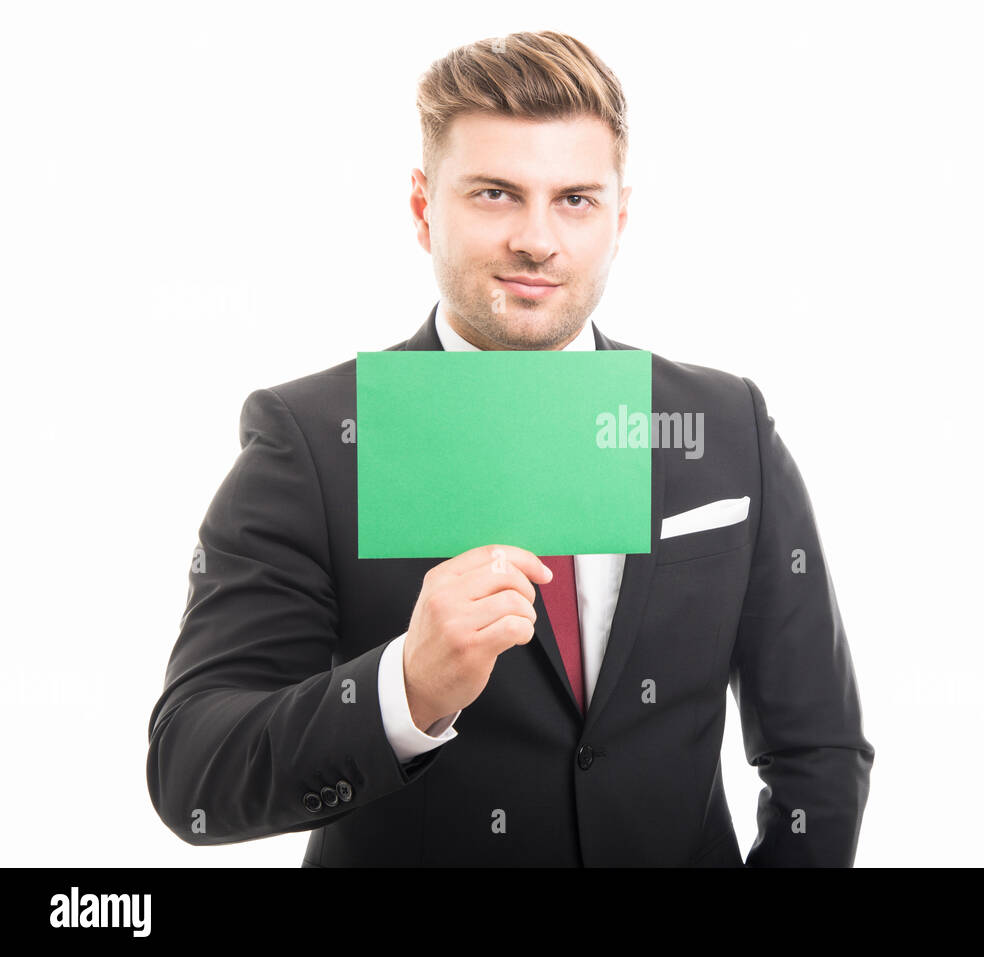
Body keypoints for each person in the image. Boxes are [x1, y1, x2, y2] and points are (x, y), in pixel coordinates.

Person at [146, 29, 874, 867]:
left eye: (575, 198)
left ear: (620, 215)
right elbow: (192, 770)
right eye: (495, 194)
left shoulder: (722, 423)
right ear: (424, 208)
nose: (538, 239)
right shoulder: (315, 439)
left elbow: (818, 746)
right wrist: (406, 687)